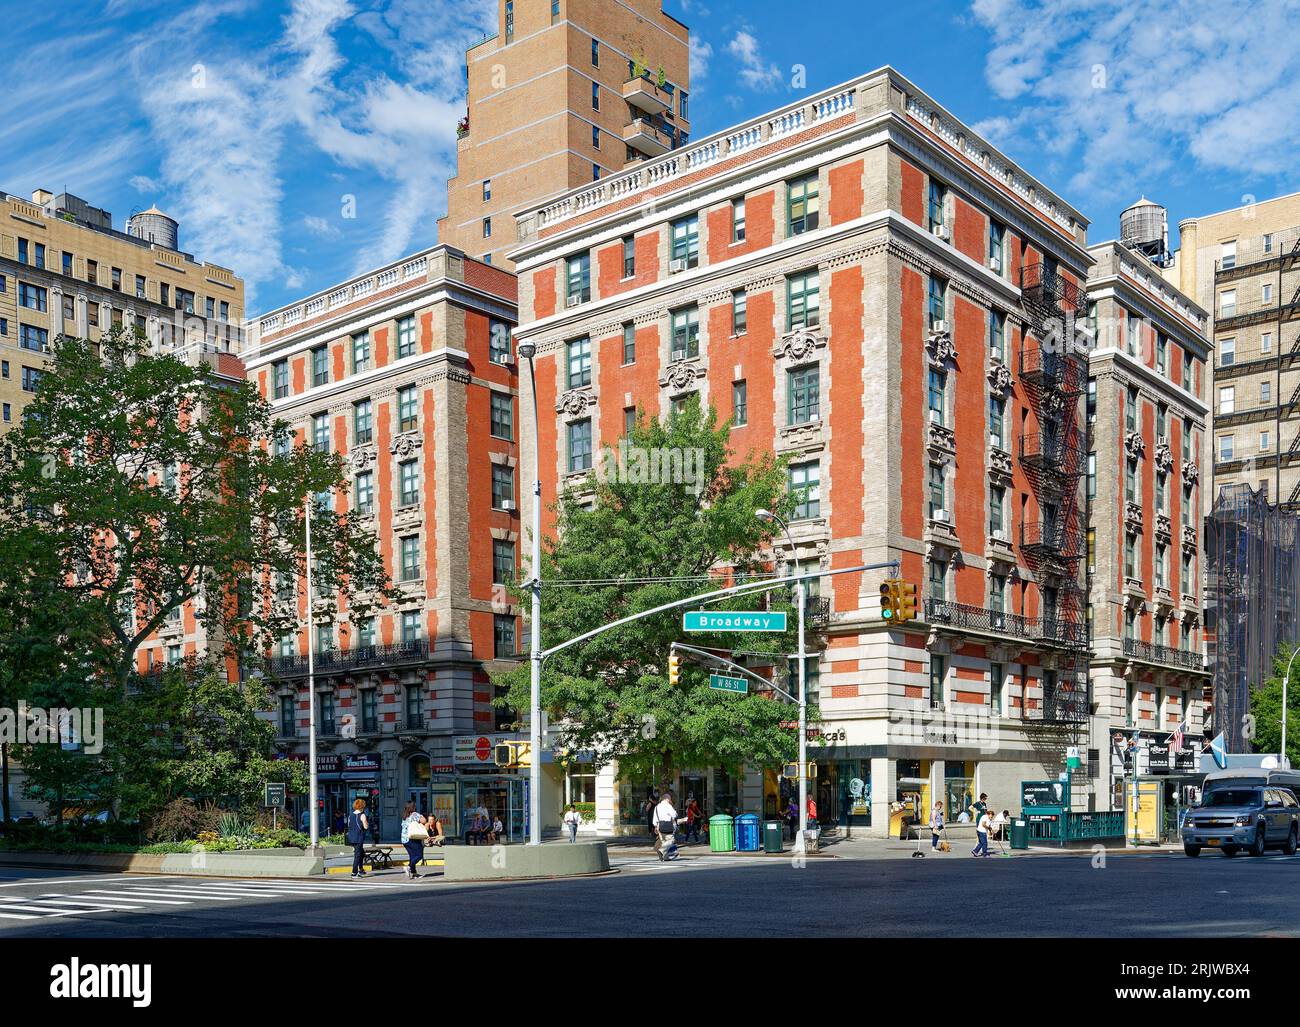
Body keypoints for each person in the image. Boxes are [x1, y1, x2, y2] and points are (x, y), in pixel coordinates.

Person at [653, 790, 685, 861]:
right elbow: (674, 814)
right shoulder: (668, 806)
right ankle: (661, 850)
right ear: (667, 799)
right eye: (670, 799)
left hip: (659, 826)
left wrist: (655, 826)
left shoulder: (657, 807)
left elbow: (655, 818)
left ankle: (665, 857)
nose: (670, 800)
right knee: (671, 840)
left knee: (664, 841)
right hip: (667, 825)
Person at [400, 802, 428, 879]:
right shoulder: (415, 814)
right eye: (414, 806)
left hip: (404, 840)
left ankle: (414, 873)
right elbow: (424, 821)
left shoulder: (405, 816)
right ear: (413, 807)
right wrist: (421, 816)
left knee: (412, 856)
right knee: (419, 855)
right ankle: (408, 867)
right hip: (413, 838)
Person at [346, 798, 369, 879]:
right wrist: (366, 822)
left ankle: (361, 869)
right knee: (358, 855)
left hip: (351, 838)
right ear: (362, 806)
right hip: (358, 837)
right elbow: (366, 827)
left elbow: (349, 825)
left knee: (361, 853)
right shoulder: (362, 815)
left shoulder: (350, 815)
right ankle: (354, 873)